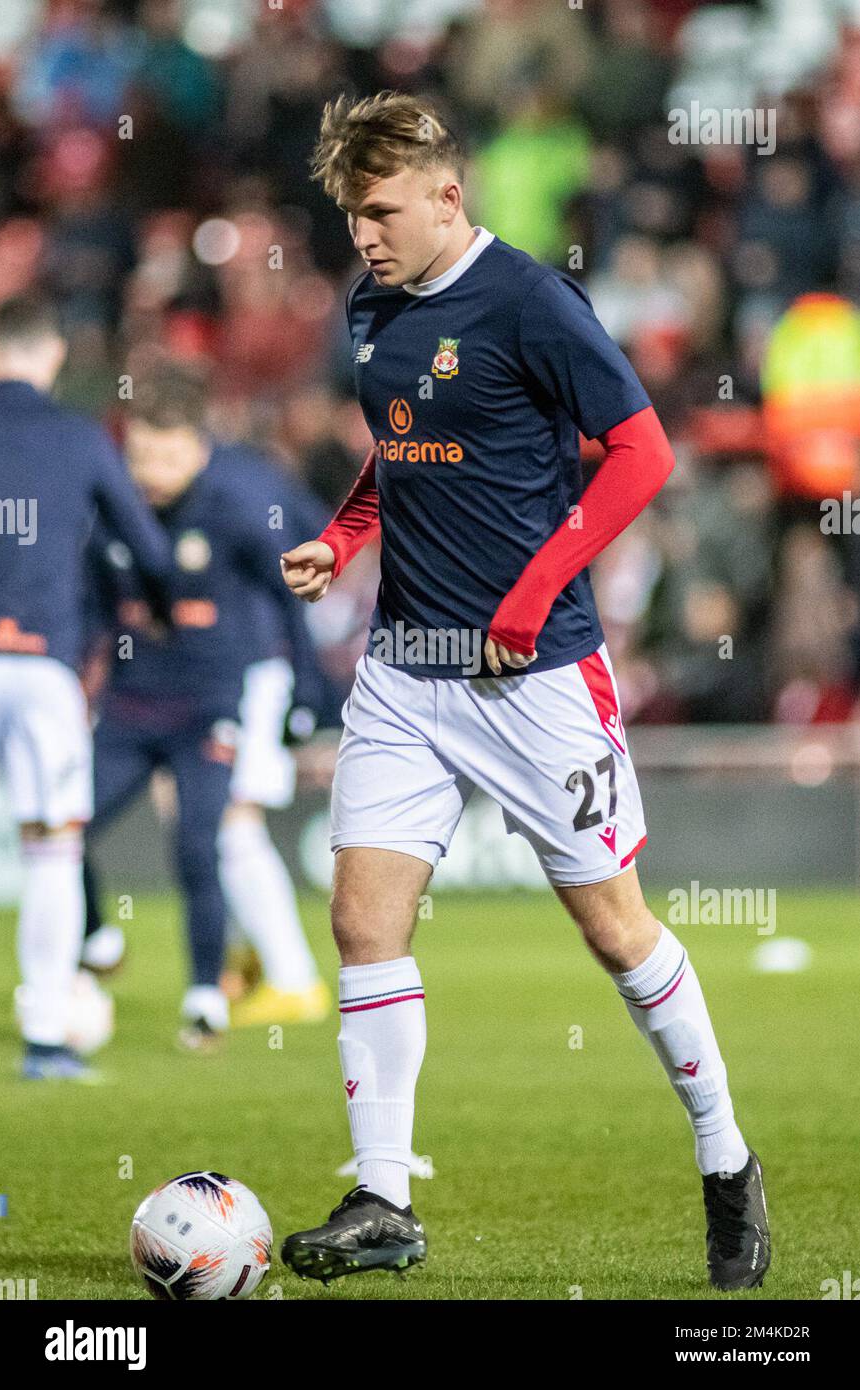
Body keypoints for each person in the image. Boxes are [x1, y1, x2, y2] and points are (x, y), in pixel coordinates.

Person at [278, 93, 770, 1292]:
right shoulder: (369, 305)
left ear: (449, 195)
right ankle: (384, 1194)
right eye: (352, 216)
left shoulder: (533, 303)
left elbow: (641, 451)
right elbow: (396, 449)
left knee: (614, 929)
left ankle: (724, 1157)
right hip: (405, 672)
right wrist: (344, 541)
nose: (368, 238)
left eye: (384, 212)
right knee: (361, 921)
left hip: (533, 670)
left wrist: (533, 586)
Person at [82, 360, 328, 1047]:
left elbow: (305, 567)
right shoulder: (127, 501)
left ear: (198, 442)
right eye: (141, 453)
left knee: (222, 828)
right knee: (212, 828)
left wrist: (302, 687)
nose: (151, 469)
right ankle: (260, 965)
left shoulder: (241, 490)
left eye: (165, 453)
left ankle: (290, 976)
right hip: (168, 686)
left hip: (248, 675)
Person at [0, 295, 170, 1080]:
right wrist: (161, 608)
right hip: (41, 669)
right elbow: (143, 545)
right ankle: (45, 1039)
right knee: (54, 853)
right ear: (53, 355)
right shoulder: (78, 438)